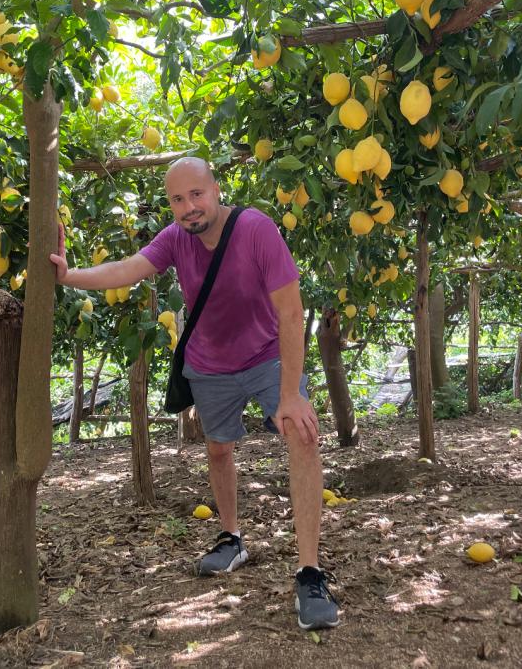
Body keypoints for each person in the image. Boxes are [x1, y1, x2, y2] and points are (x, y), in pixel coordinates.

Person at [50, 157, 339, 630]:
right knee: (219, 450)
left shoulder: (257, 230)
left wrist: (291, 394)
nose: (188, 207)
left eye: (196, 194)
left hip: (266, 356)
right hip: (209, 364)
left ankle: (309, 573)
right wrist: (69, 276)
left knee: (303, 435)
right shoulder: (174, 239)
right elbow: (129, 269)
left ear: (217, 190)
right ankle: (231, 538)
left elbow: (290, 313)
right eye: (177, 199)